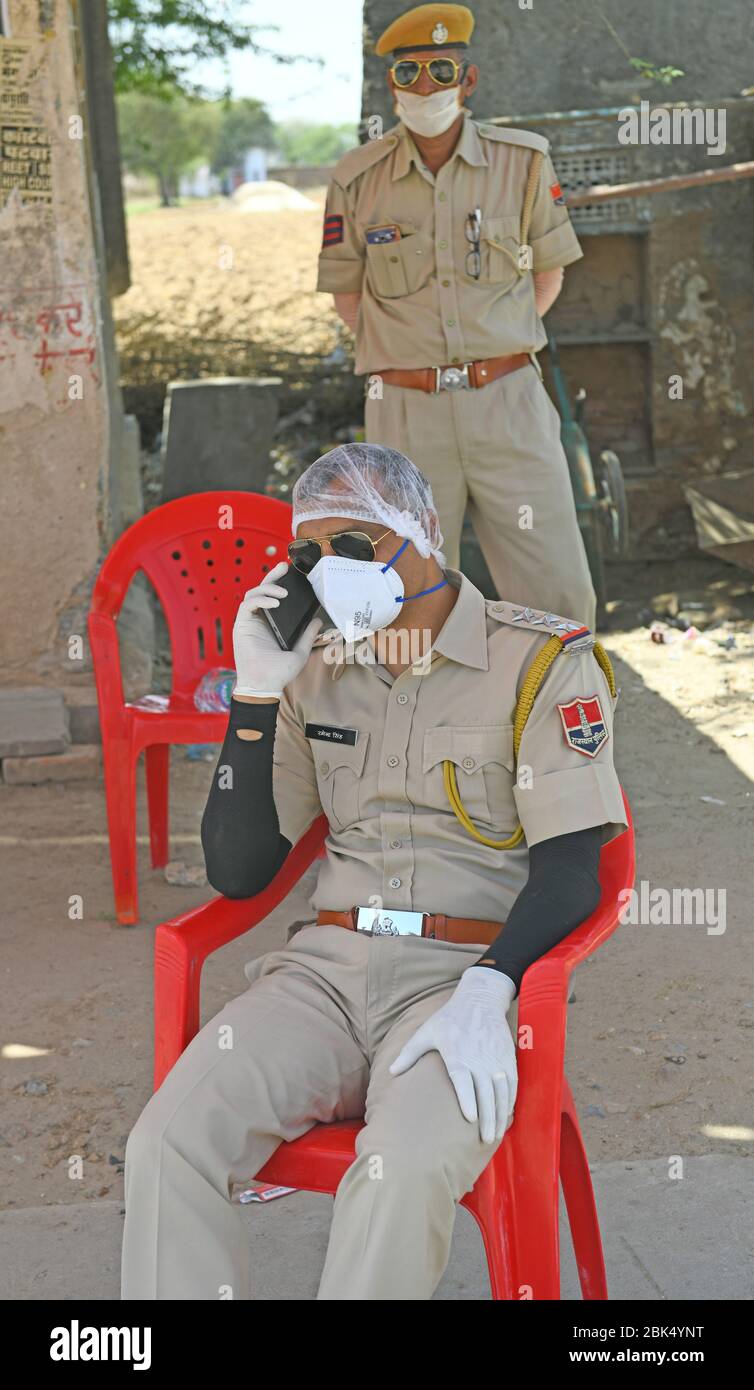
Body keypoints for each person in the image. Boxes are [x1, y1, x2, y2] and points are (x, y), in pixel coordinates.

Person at [120, 444, 627, 1301]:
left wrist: (490, 989)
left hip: (461, 982)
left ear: (424, 533)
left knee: (398, 1169)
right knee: (167, 1142)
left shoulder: (540, 663)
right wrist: (252, 694)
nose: (332, 576)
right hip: (321, 979)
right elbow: (240, 871)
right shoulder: (310, 671)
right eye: (312, 556)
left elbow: (575, 868)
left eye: (356, 544)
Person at [317, 2, 596, 628]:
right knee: (403, 602)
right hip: (406, 415)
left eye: (440, 71)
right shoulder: (357, 180)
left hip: (508, 403)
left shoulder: (522, 164)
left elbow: (546, 276)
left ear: (467, 81)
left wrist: (492, 346)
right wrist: (411, 355)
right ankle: (426, 725)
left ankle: (555, 722)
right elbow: (349, 298)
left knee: (558, 595)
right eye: (409, 74)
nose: (424, 87)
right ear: (391, 86)